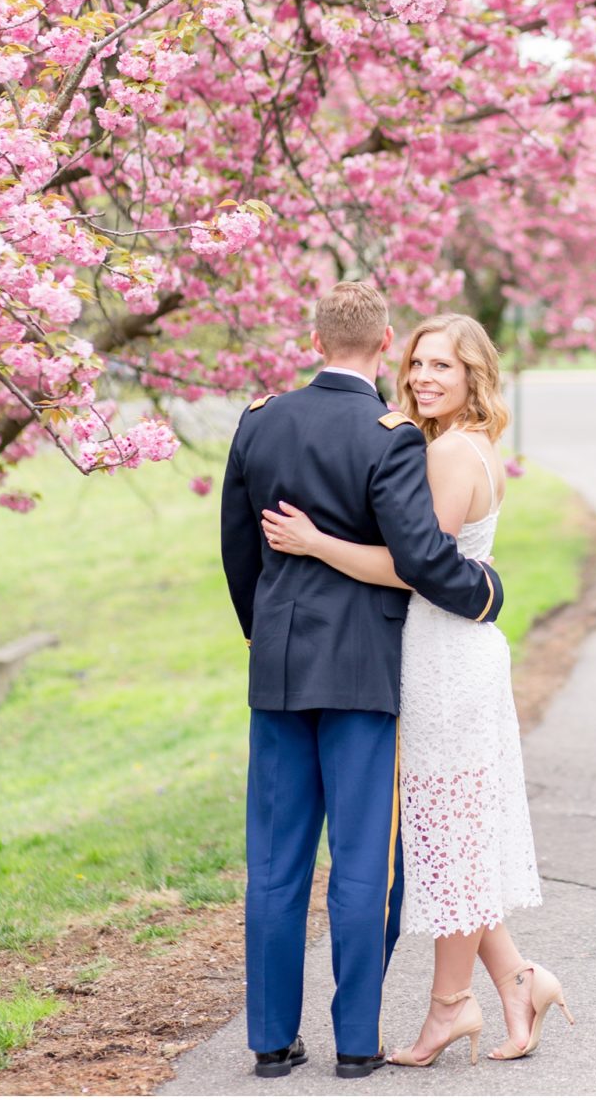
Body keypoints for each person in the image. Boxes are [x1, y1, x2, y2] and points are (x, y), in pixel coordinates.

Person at [261, 312, 572, 1069]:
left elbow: (415, 567)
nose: (425, 377)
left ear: (473, 376)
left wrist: (315, 543)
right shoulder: (462, 443)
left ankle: (449, 1006)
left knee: (448, 836)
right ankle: (518, 979)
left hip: (444, 660)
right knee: (450, 832)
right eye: (418, 363)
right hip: (449, 651)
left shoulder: (449, 452)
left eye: (444, 366)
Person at [221, 283, 505, 1080]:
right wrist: (486, 592)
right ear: (386, 342)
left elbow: (238, 551)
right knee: (359, 864)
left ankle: (270, 1042)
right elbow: (421, 559)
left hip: (279, 671)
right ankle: (355, 1043)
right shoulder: (391, 437)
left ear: (315, 339)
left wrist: (265, 632)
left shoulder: (259, 419)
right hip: (363, 673)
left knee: (274, 862)